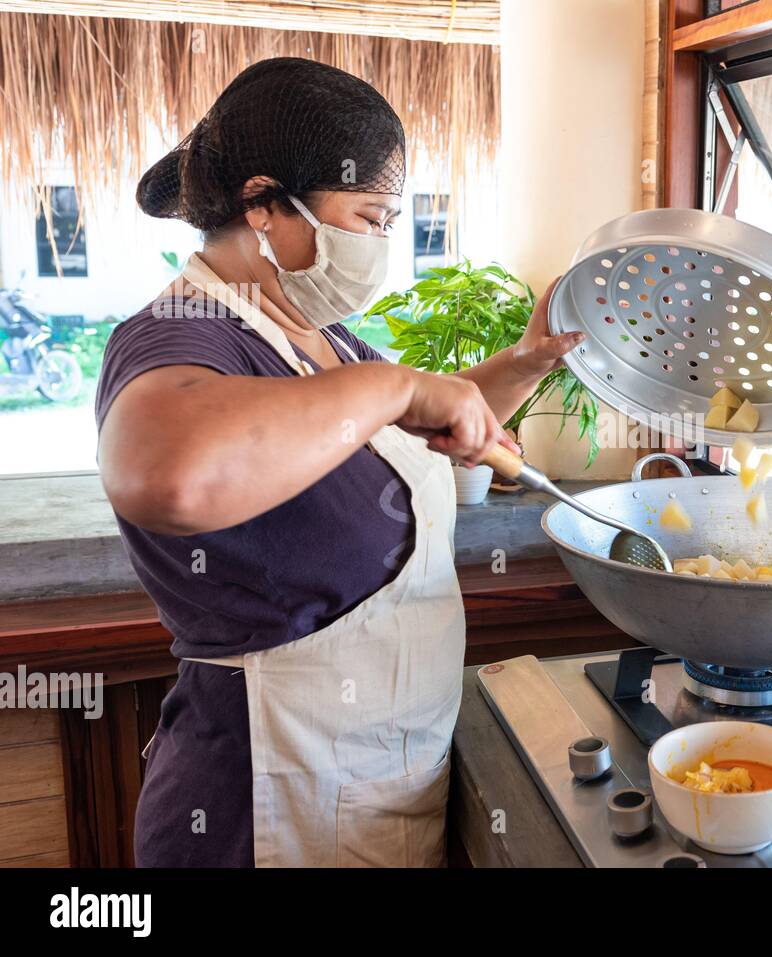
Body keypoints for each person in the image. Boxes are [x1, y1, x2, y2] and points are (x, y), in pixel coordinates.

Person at [96, 57, 582, 867]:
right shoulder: (181, 333)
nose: (383, 243)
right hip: (267, 804)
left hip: (372, 783)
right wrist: (392, 385)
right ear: (264, 206)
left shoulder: (316, 336)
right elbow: (167, 471)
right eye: (371, 216)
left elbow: (403, 429)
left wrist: (529, 360)